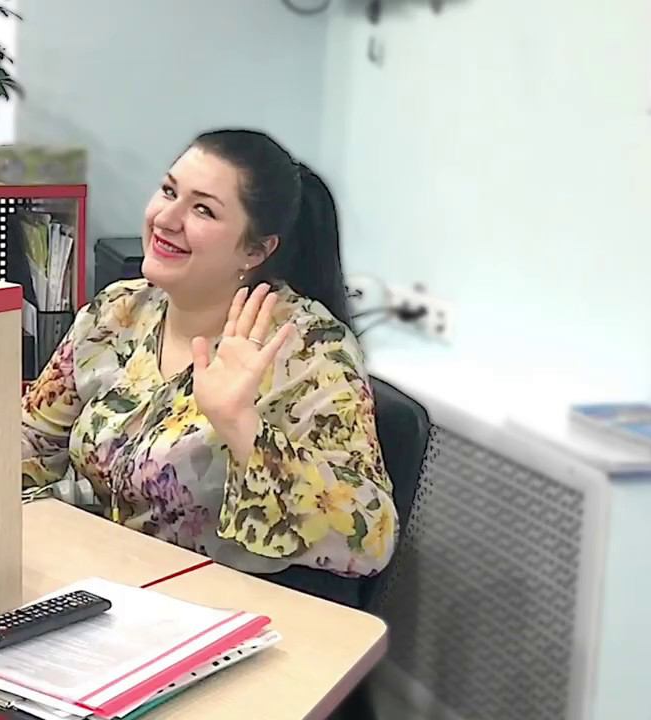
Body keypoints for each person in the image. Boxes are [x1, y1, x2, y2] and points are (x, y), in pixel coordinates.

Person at [21, 129, 396, 604]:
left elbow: (371, 538)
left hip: (219, 609)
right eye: (169, 191)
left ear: (255, 251)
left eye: (203, 210)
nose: (166, 219)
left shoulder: (308, 351)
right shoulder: (117, 312)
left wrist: (242, 428)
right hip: (99, 584)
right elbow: (31, 443)